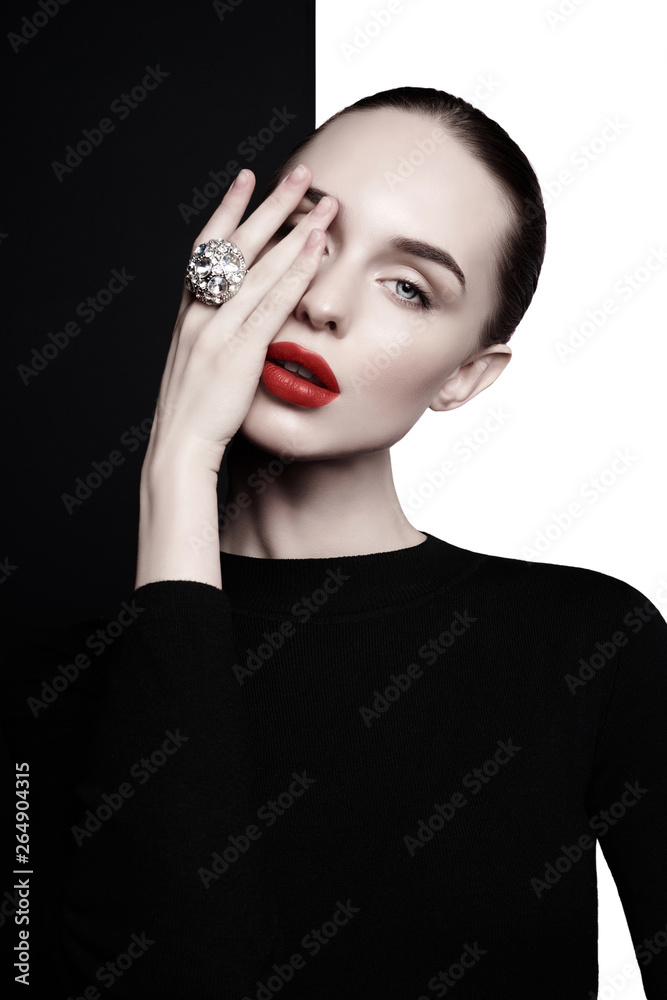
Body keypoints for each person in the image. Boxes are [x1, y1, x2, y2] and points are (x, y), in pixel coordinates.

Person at [6, 87, 666, 998]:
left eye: (408, 287)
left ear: (466, 377)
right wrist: (178, 460)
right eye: (306, 237)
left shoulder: (589, 644)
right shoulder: (49, 679)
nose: (322, 303)